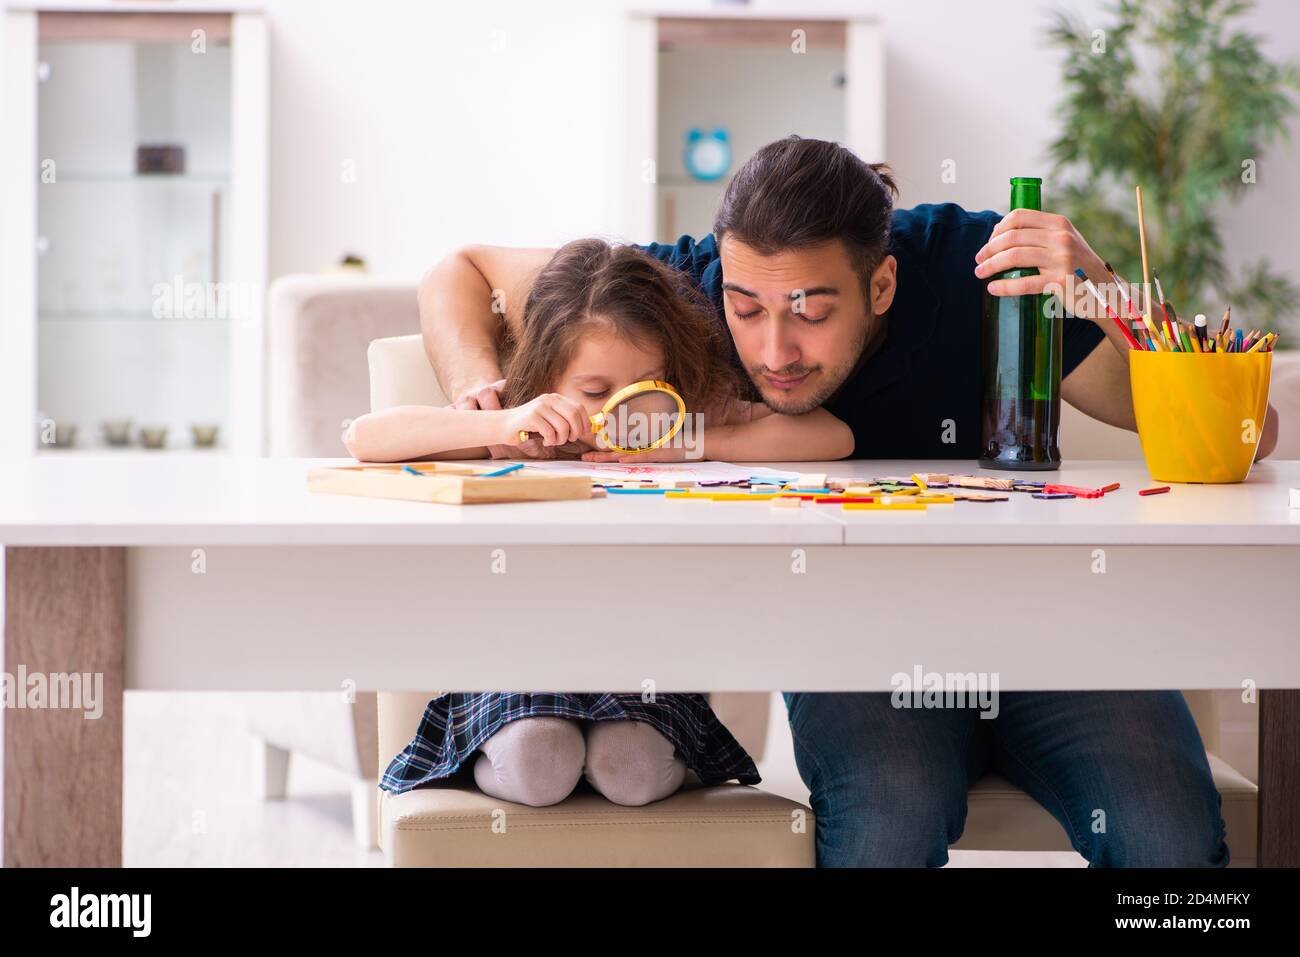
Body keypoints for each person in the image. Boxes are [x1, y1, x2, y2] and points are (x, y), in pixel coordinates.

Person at [416, 136, 1249, 865]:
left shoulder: (984, 272)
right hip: (861, 642)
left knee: (1166, 833)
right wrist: (477, 392)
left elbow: (1249, 426)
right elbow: (465, 270)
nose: (774, 349)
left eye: (811, 311)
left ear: (882, 285)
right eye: (748, 310)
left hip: (1056, 626)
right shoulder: (685, 293)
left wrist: (1103, 290)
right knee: (887, 823)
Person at [367, 237, 849, 809]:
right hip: (518, 667)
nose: (619, 410)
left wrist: (688, 444)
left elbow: (832, 435)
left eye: (644, 385)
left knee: (633, 768)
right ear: (545, 373)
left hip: (639, 666)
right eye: (595, 392)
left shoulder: (677, 422)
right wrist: (493, 425)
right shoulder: (514, 432)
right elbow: (367, 438)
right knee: (537, 761)